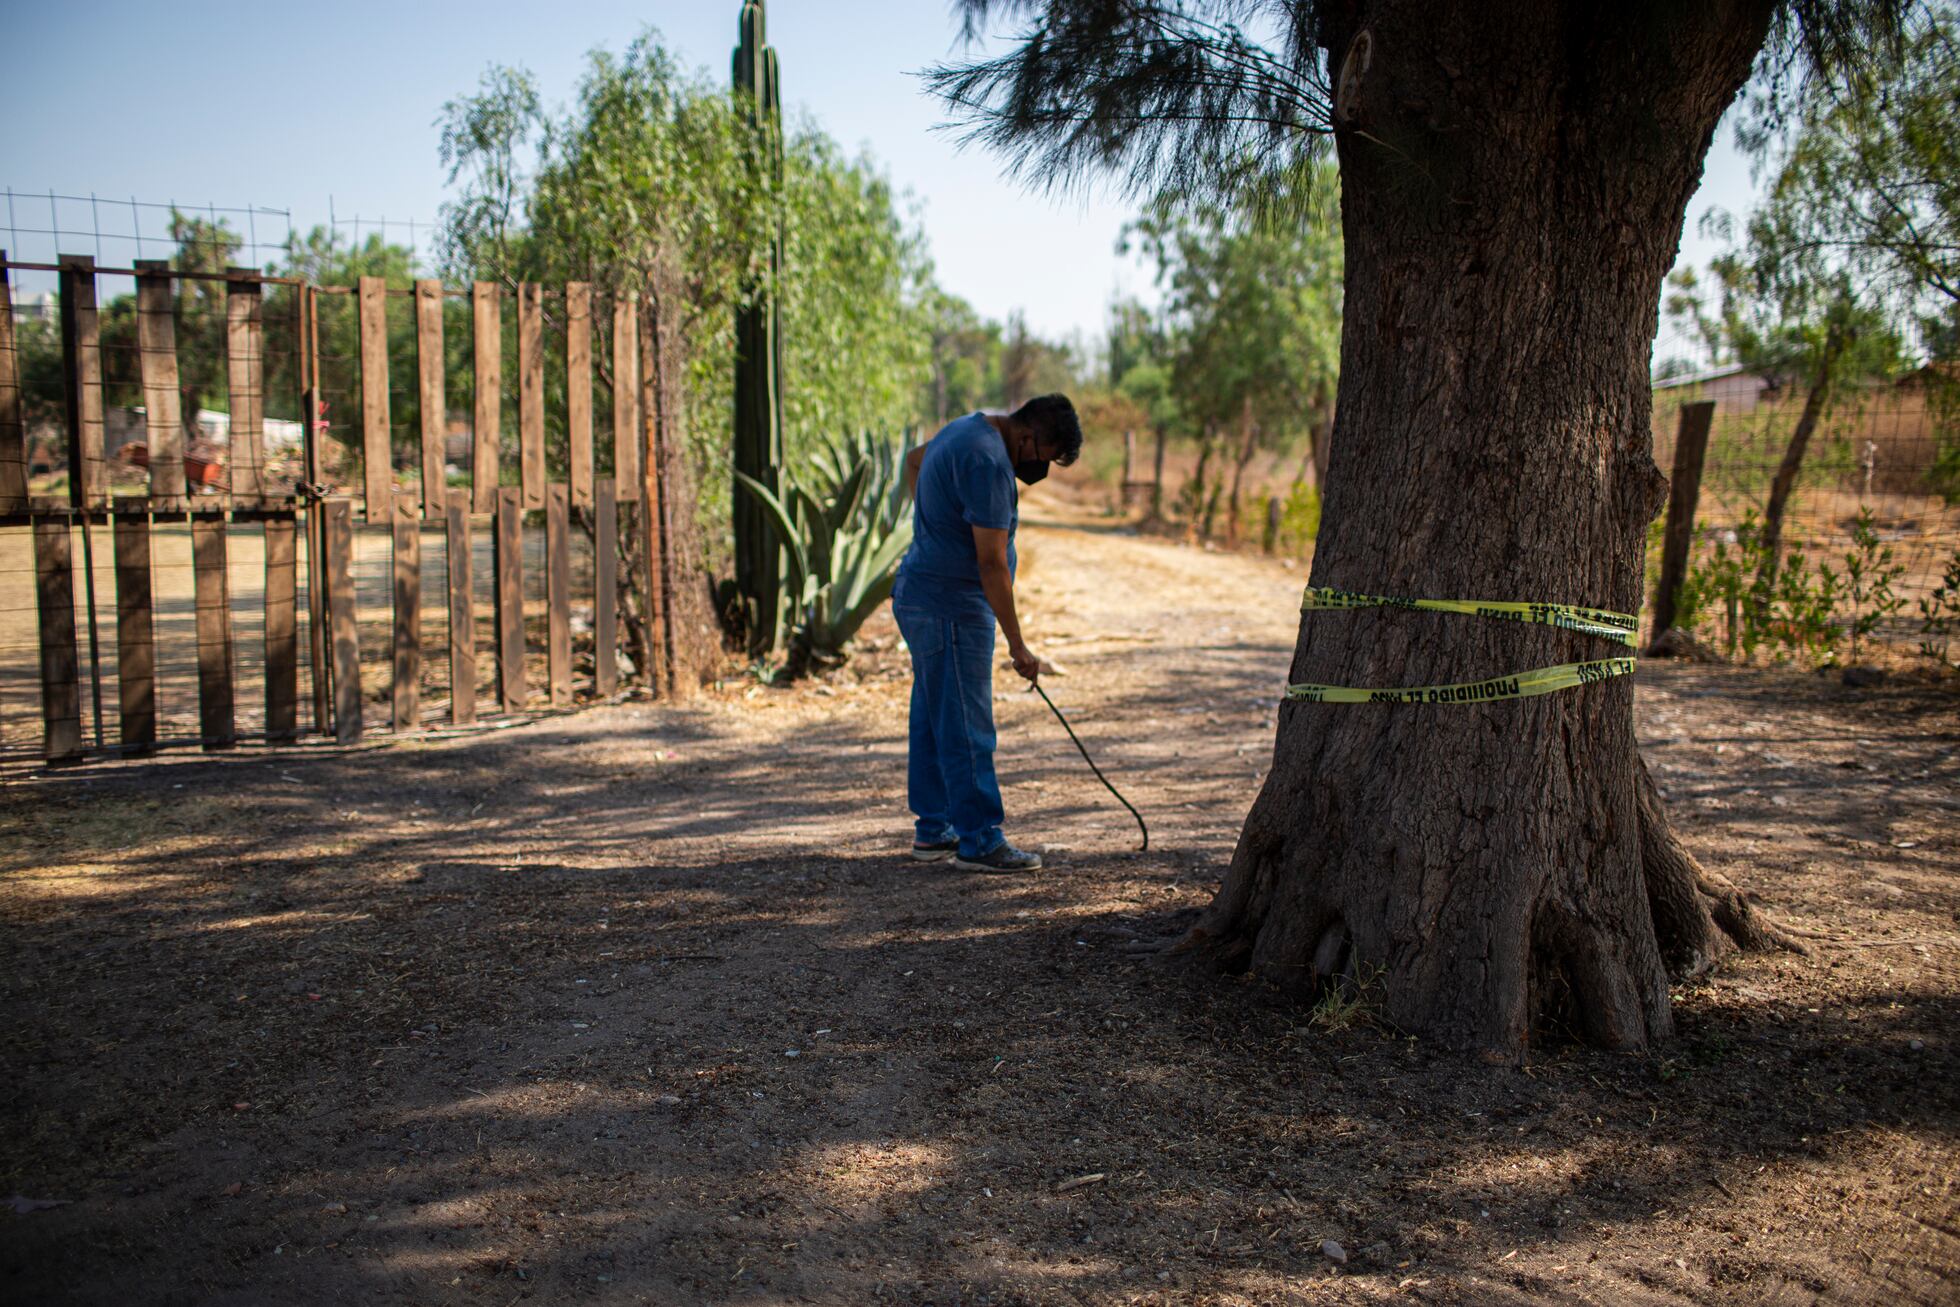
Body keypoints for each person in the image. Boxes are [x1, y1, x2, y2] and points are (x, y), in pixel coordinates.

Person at [893, 394, 1083, 872]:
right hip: (952, 607)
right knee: (966, 723)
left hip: (922, 596)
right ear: (1027, 436)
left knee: (936, 716)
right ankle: (980, 839)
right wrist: (1017, 644)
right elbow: (992, 562)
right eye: (1044, 456)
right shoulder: (988, 461)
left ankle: (934, 830)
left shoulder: (965, 430)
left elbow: (913, 461)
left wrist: (935, 528)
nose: (1042, 468)